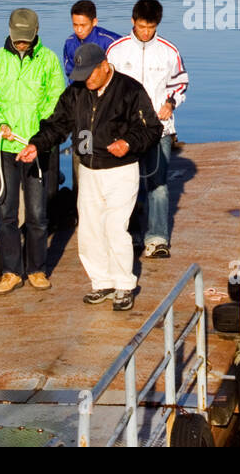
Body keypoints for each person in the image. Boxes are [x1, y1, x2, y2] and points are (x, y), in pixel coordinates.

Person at [18, 43, 162, 311]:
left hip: (120, 170)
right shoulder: (76, 92)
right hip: (88, 170)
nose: (85, 81)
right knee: (89, 229)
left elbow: (152, 128)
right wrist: (36, 144)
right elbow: (57, 123)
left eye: (89, 74)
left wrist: (129, 143)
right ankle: (102, 282)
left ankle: (124, 285)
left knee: (115, 227)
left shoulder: (130, 90)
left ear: (104, 66)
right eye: (80, 75)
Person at [0, 8, 65, 294]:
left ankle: (37, 269)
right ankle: (11, 271)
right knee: (7, 213)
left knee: (38, 214)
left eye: (26, 39)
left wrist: (38, 135)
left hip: (37, 148)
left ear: (36, 33)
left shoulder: (49, 60)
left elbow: (56, 99)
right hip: (6, 149)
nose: (22, 44)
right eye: (18, 39)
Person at [106, 0, 188, 259]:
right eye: (142, 26)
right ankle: (130, 235)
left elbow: (181, 83)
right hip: (126, 130)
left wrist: (171, 102)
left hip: (158, 129)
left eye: (151, 27)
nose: (146, 32)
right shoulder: (116, 51)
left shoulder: (168, 51)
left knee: (158, 184)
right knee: (126, 184)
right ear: (133, 21)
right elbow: (107, 86)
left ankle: (158, 238)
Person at [62, 0, 120, 80]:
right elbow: (70, 74)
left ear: (94, 22)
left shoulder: (112, 42)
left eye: (83, 25)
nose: (79, 30)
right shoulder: (70, 43)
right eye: (75, 25)